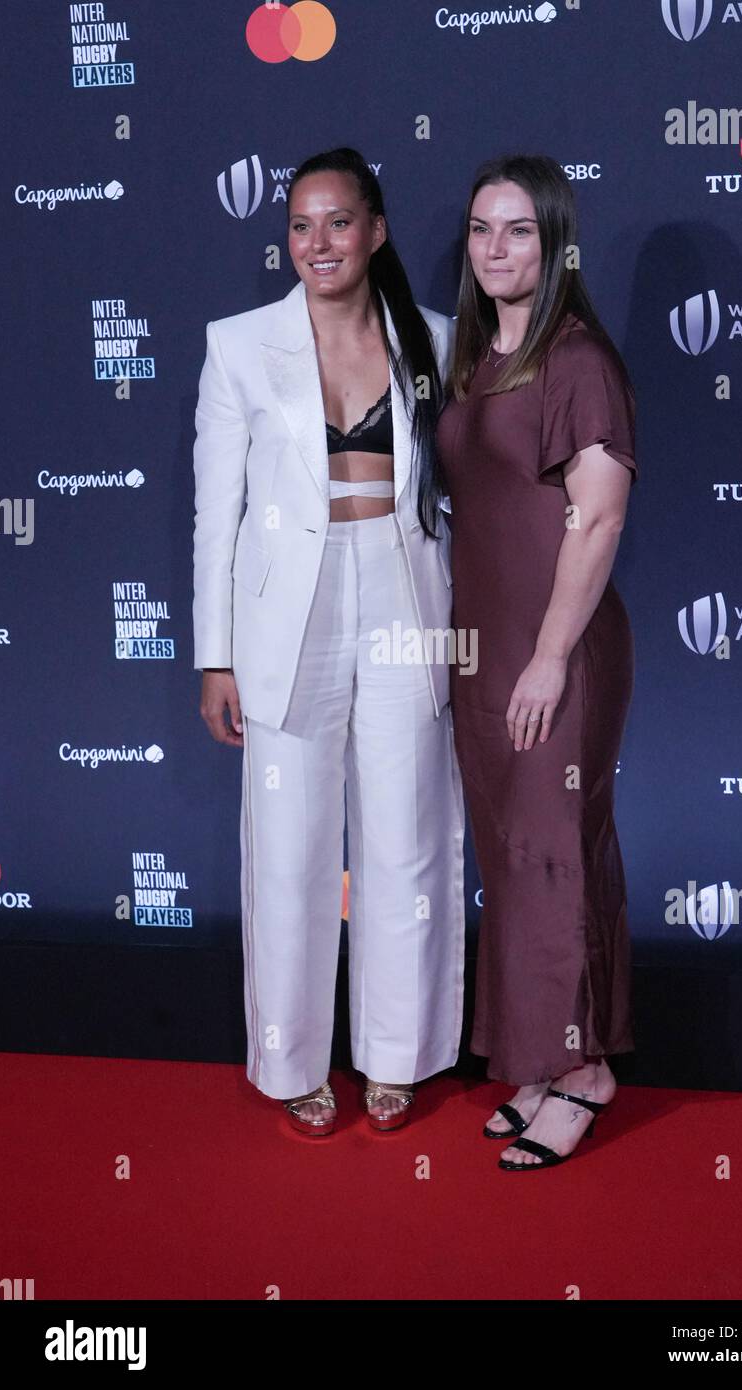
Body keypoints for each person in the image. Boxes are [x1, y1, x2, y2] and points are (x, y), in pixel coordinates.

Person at [193, 147, 465, 1136]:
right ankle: (291, 1059)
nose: (318, 242)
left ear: (376, 230)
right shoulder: (238, 346)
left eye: (338, 222)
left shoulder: (434, 339)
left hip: (402, 601)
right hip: (286, 621)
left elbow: (458, 493)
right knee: (290, 847)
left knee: (406, 836)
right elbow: (212, 515)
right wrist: (214, 653)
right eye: (301, 225)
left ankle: (399, 1054)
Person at [436, 154, 638, 1171]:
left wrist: (551, 657)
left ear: (556, 243)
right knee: (512, 862)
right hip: (484, 651)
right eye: (481, 229)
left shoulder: (578, 358)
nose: (495, 250)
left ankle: (587, 1069)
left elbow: (597, 520)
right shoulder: (473, 359)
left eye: (517, 230)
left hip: (556, 653)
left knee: (560, 851)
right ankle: (536, 1054)